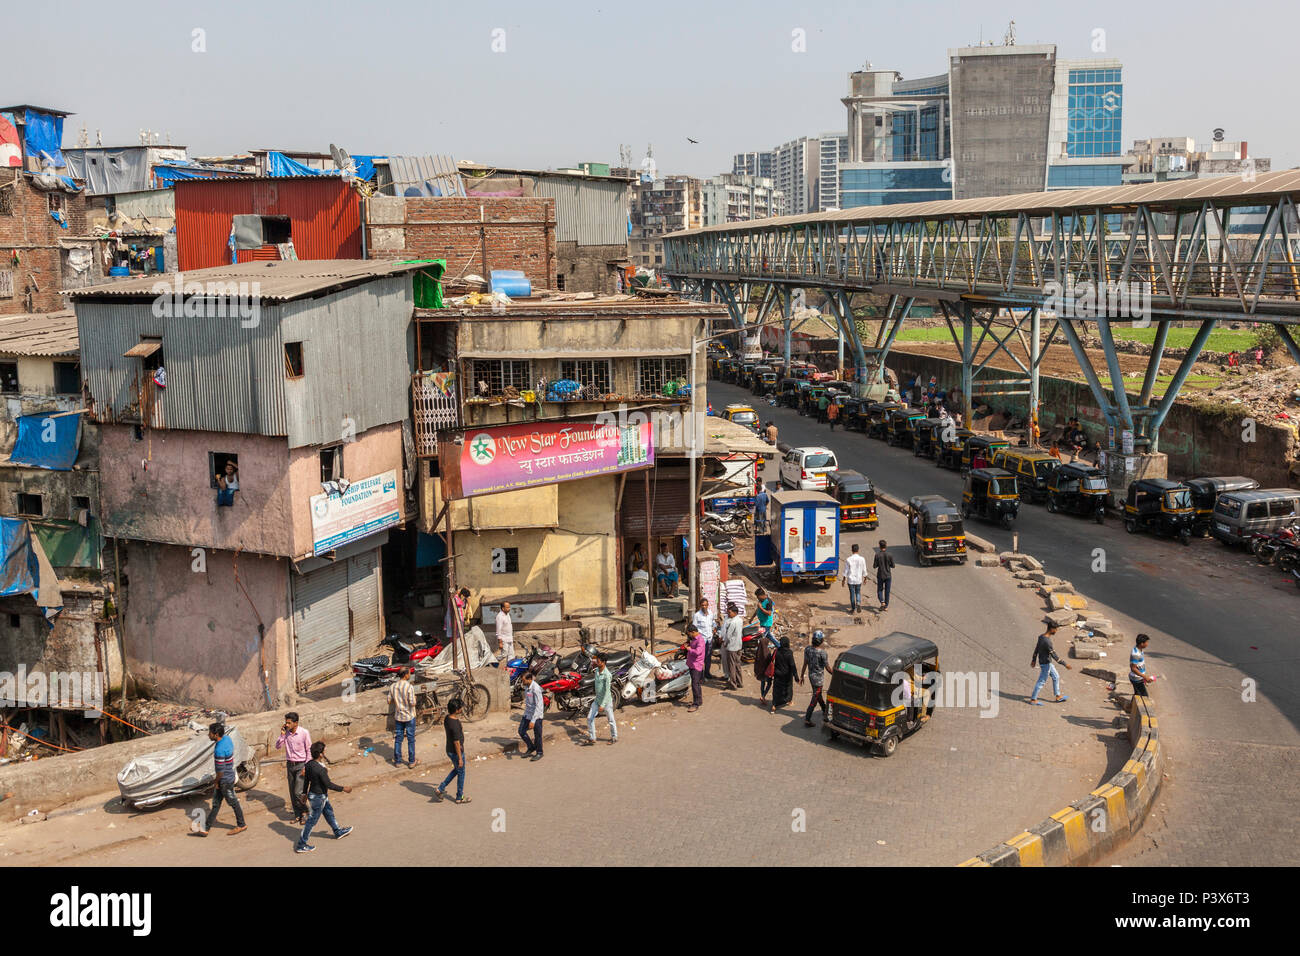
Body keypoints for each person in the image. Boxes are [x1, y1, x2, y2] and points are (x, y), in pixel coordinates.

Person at [295, 741, 353, 853]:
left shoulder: (309, 764)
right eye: (324, 750)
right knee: (311, 821)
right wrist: (344, 789)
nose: (325, 752)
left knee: (329, 812)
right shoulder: (320, 770)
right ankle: (301, 844)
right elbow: (328, 784)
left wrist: (304, 793)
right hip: (318, 797)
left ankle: (337, 831)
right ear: (321, 754)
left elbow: (306, 780)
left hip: (317, 795)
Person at [196, 722, 246, 837]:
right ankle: (206, 829)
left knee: (233, 802)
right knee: (216, 804)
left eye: (210, 733)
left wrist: (216, 782)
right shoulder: (227, 739)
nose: (208, 735)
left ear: (216, 734)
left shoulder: (218, 750)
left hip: (225, 780)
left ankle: (241, 824)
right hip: (229, 776)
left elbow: (220, 771)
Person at [275, 712, 312, 825]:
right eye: (286, 722)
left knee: (298, 792)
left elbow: (309, 750)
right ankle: (298, 815)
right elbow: (277, 746)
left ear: (296, 723)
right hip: (290, 765)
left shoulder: (304, 733)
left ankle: (306, 812)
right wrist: (282, 734)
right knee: (292, 792)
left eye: (289, 722)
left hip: (301, 765)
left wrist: (307, 766)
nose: (286, 724)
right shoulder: (286, 734)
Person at [435, 698, 471, 803]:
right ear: (456, 710)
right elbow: (456, 742)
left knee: (457, 770)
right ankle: (459, 797)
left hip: (449, 750)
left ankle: (440, 788)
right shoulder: (454, 724)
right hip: (456, 752)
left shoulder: (447, 718)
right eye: (460, 707)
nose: (462, 709)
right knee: (461, 772)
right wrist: (460, 758)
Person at [1028, 622, 1071, 705]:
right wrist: (1065, 664)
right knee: (1041, 681)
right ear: (1052, 629)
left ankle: (1058, 696)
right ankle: (1033, 699)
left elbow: (1036, 649)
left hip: (1047, 662)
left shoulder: (1041, 637)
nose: (1056, 631)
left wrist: (1033, 660)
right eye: (1056, 629)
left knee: (1056, 677)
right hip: (1045, 664)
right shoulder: (1047, 642)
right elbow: (1055, 656)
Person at [586, 652, 619, 744]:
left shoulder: (607, 675)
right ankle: (592, 738)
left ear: (604, 662)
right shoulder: (597, 670)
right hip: (597, 699)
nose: (597, 662)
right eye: (597, 660)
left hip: (606, 701)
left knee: (611, 720)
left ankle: (614, 737)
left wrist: (603, 705)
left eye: (598, 661)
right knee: (589, 718)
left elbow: (607, 691)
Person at [389, 667, 417, 767]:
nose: (409, 675)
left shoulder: (393, 686)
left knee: (398, 739)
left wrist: (397, 701)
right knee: (411, 739)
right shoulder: (409, 687)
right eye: (409, 673)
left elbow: (389, 700)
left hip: (398, 716)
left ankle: (398, 761)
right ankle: (412, 761)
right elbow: (412, 703)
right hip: (409, 716)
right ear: (405, 675)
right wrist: (415, 699)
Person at [801, 631, 829, 727]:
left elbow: (805, 663)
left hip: (811, 676)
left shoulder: (807, 649)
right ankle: (807, 719)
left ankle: (824, 709)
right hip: (818, 680)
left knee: (818, 694)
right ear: (821, 641)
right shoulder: (822, 653)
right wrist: (836, 673)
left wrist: (801, 675)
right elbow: (828, 668)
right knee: (815, 697)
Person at [770, 636, 800, 713]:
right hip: (787, 675)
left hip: (777, 674)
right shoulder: (789, 653)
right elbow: (792, 665)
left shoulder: (776, 651)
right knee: (788, 688)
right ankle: (789, 701)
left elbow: (772, 661)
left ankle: (774, 705)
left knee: (776, 689)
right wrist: (796, 676)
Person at [519, 670, 545, 760]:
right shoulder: (527, 687)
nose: (523, 682)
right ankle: (531, 747)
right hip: (528, 713)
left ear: (529, 679)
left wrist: (533, 721)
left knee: (537, 735)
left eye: (524, 680)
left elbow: (539, 706)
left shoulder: (536, 689)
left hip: (536, 715)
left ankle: (539, 752)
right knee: (521, 731)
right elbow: (528, 702)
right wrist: (525, 715)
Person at [720, 602, 744, 689]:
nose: (728, 614)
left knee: (732, 666)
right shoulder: (740, 620)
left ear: (735, 612)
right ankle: (740, 682)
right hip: (738, 645)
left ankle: (733, 684)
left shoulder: (733, 622)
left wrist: (725, 643)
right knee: (737, 665)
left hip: (732, 647)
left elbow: (728, 635)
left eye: (730, 612)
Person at [692, 598, 717, 681]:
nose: (704, 607)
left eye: (705, 605)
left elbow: (713, 622)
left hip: (709, 638)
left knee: (708, 657)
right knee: (701, 659)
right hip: (701, 640)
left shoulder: (710, 613)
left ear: (708, 605)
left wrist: (714, 627)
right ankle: (701, 676)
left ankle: (707, 673)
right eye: (702, 605)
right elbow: (694, 628)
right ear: (700, 606)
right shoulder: (697, 615)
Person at [684, 623, 706, 712]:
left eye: (689, 634)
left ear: (693, 632)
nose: (689, 635)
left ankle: (696, 703)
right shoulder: (693, 639)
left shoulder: (700, 640)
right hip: (692, 663)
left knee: (695, 684)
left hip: (696, 665)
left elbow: (697, 652)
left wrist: (689, 649)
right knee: (696, 684)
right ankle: (699, 700)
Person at [842, 542, 868, 614]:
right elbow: (864, 569)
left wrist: (843, 580)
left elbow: (846, 571)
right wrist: (865, 578)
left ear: (852, 550)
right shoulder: (862, 559)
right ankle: (858, 603)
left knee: (852, 594)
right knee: (858, 592)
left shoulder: (848, 559)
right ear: (858, 550)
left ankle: (853, 609)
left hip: (850, 580)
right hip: (858, 580)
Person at [1129, 633, 1154, 698]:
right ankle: (1132, 706)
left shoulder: (1139, 649)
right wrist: (1145, 677)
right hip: (1136, 679)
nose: (1147, 644)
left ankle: (1132, 706)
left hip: (1139, 677)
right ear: (1142, 644)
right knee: (1144, 697)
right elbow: (1133, 668)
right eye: (1146, 642)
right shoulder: (1136, 654)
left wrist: (1143, 678)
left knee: (1138, 694)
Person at [873, 539, 895, 611]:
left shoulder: (877, 555)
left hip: (880, 575)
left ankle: (882, 602)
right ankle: (886, 606)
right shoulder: (890, 555)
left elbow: (874, 566)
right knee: (887, 591)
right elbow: (893, 566)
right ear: (886, 546)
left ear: (879, 546)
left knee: (880, 589)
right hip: (888, 575)